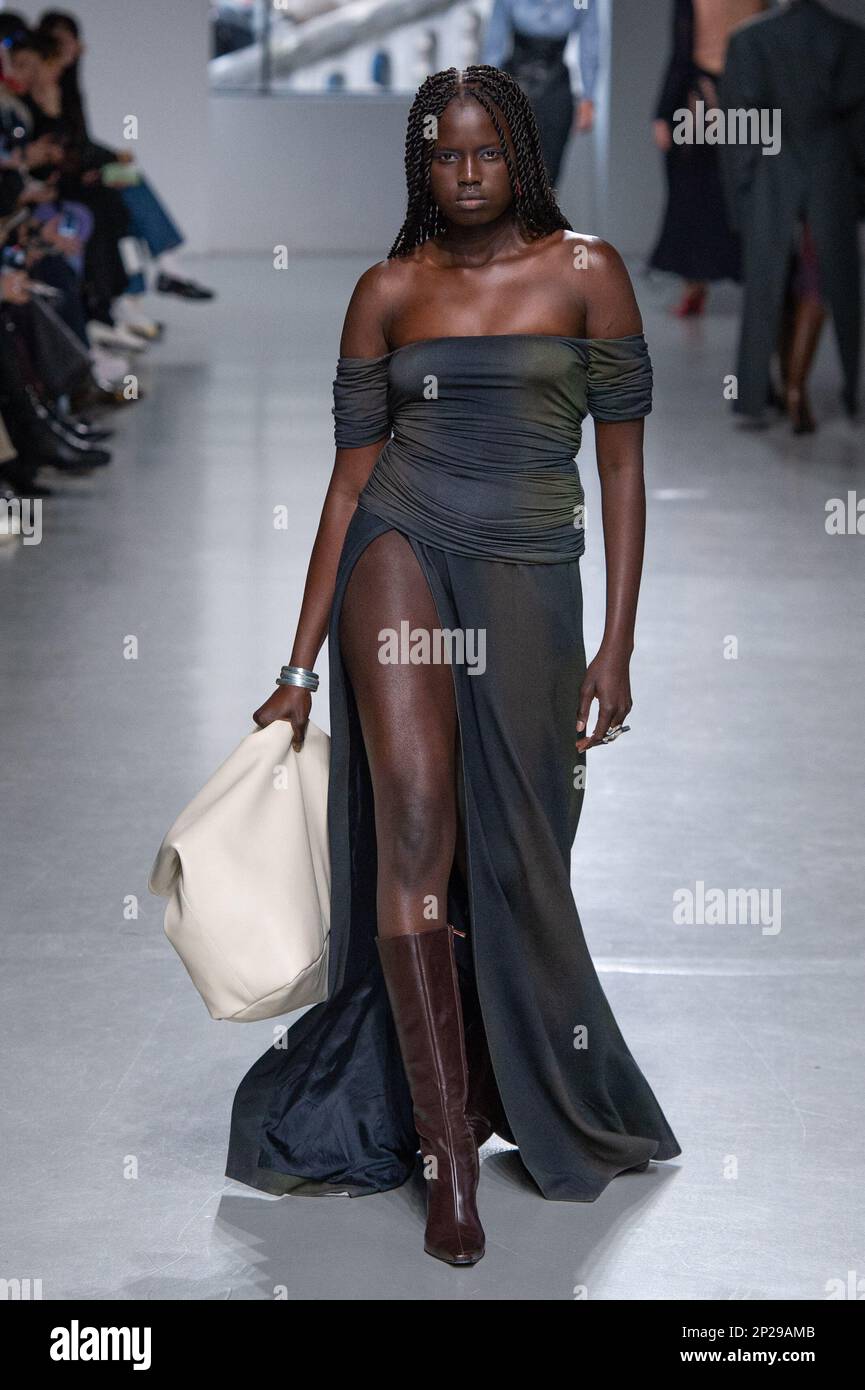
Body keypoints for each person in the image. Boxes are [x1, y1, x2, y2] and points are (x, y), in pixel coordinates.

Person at [225, 65, 681, 1267]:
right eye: (443, 156)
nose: (466, 175)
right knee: (416, 815)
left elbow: (624, 469)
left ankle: (506, 1082)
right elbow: (344, 483)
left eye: (486, 154)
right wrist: (299, 666)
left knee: (522, 849)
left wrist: (617, 641)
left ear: (519, 157)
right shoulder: (387, 292)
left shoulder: (588, 273)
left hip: (533, 565)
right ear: (419, 163)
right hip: (403, 543)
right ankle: (443, 1158)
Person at [718, 0, 865, 430]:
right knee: (823, 277)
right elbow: (860, 127)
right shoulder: (851, 38)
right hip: (830, 167)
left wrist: (740, 189)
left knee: (770, 282)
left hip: (771, 167)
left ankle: (771, 391)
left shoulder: (749, 40)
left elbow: (738, 125)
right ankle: (804, 385)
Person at [648, 0, 767, 317]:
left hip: (701, 106)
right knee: (745, 196)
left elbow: (681, 56)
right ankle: (759, 286)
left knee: (692, 196)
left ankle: (694, 288)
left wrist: (662, 114)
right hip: (747, 106)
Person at [481, 0, 600, 186]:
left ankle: (540, 213)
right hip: (513, 89)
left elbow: (590, 42)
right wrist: (485, 93)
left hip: (556, 91)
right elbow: (494, 43)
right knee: (509, 171)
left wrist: (588, 97)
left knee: (548, 173)